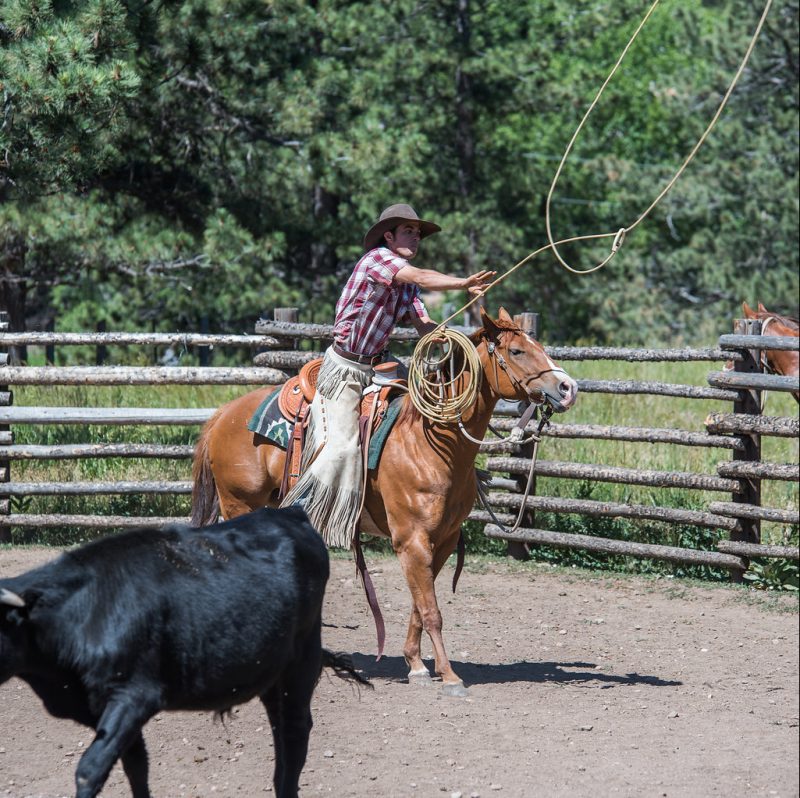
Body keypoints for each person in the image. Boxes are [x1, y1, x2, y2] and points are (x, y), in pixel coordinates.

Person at [281, 203, 496, 548]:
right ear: (389, 236)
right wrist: (463, 283)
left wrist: (454, 340)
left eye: (418, 233)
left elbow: (424, 324)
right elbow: (422, 277)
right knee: (340, 446)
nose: (416, 237)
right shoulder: (378, 260)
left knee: (423, 414)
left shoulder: (406, 283)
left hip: (378, 365)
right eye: (408, 231)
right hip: (345, 369)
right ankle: (305, 514)